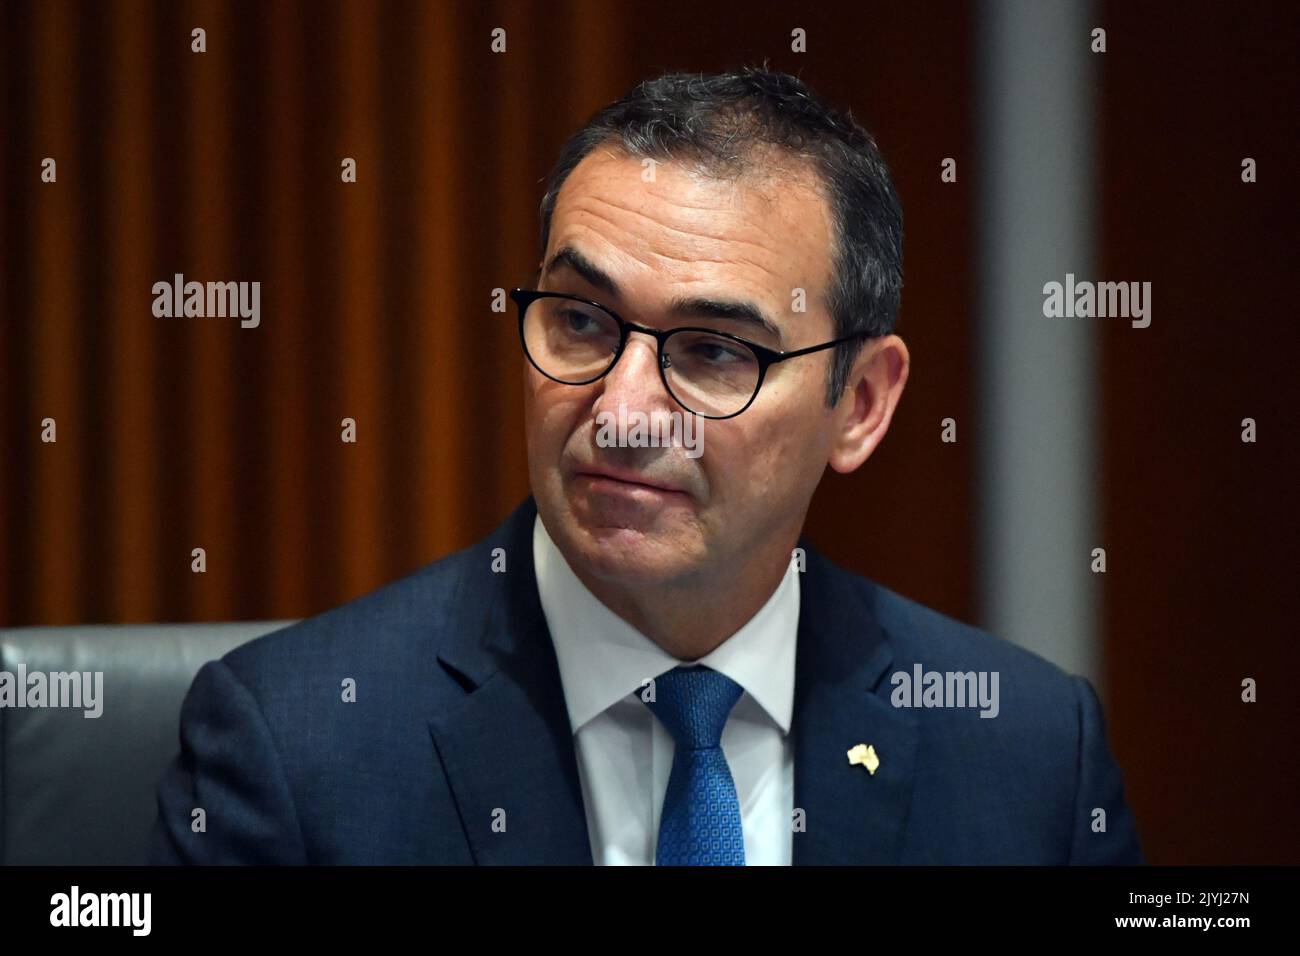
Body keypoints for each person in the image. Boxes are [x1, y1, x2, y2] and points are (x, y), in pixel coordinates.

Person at [150, 66, 1143, 865]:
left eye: (713, 351)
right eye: (581, 322)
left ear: (863, 404)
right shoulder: (295, 747)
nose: (621, 414)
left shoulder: (1025, 753)